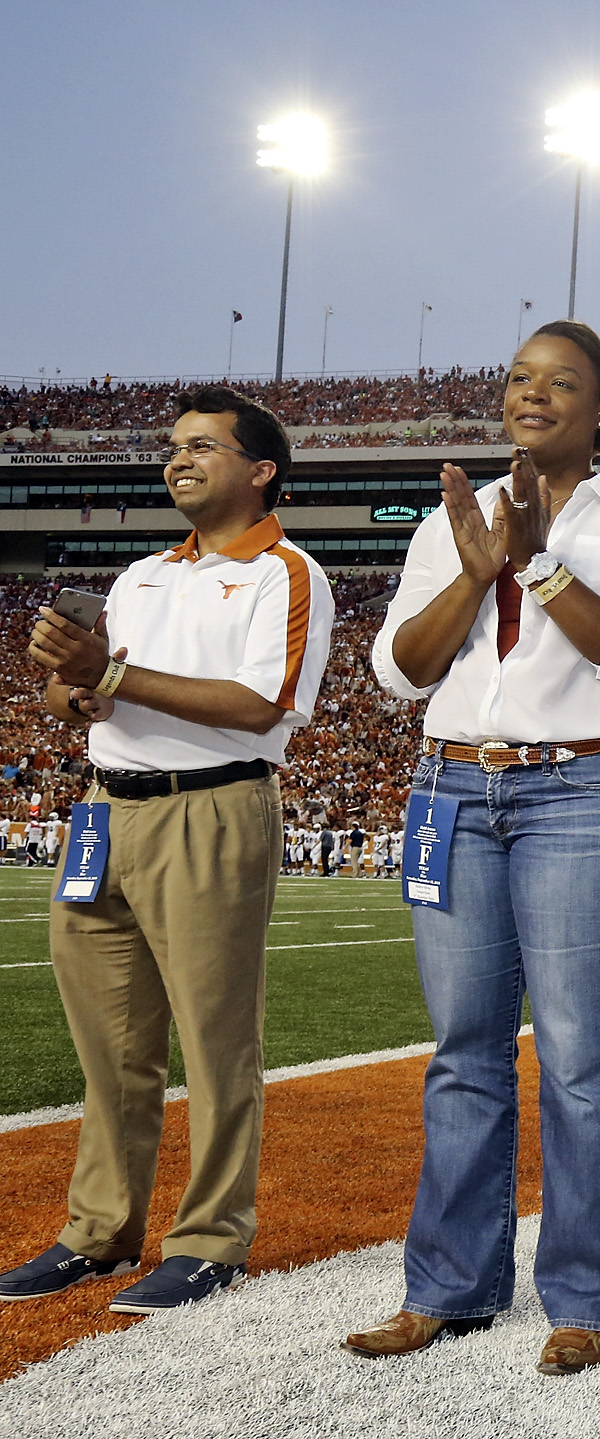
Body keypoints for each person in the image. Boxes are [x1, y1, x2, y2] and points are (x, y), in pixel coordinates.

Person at [346, 321, 600, 1376]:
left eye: (560, 382)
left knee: (583, 1054)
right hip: (450, 782)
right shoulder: (447, 520)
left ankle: (586, 1295)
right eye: (516, 378)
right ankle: (447, 1286)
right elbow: (398, 670)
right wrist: (474, 568)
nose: (529, 394)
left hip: (581, 786)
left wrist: (538, 564)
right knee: (463, 1050)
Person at [0, 385, 333, 1313]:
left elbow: (263, 704)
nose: (176, 459)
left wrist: (106, 672)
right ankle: (97, 1230)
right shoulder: (141, 574)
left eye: (202, 446)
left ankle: (211, 1235)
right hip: (103, 811)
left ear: (260, 470)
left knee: (215, 1040)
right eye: (172, 446)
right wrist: (69, 680)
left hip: (210, 809)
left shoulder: (287, 572)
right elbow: (88, 703)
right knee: (109, 1046)